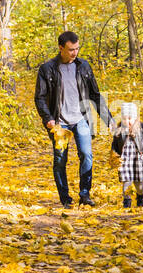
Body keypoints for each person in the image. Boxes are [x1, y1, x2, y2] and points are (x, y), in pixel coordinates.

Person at [34, 31, 113, 206]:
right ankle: (65, 199)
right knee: (60, 160)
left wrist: (110, 121)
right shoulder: (47, 69)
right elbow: (40, 97)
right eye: (71, 49)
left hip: (81, 119)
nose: (74, 53)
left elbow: (95, 95)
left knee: (86, 155)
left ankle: (85, 195)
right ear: (61, 48)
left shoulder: (83, 66)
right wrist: (48, 118)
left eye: (77, 48)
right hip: (59, 123)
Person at [112, 102, 143, 208]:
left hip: (138, 160)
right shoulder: (119, 130)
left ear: (135, 118)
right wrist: (114, 155)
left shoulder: (141, 126)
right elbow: (114, 145)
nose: (127, 121)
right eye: (125, 119)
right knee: (126, 182)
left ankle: (140, 200)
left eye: (130, 118)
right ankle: (127, 203)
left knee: (139, 184)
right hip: (125, 160)